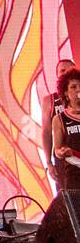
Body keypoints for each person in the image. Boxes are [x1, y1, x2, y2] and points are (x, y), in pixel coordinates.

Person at [45, 58, 73, 191]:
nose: (65, 72)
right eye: (62, 70)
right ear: (57, 75)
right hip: (63, 160)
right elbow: (46, 133)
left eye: (69, 69)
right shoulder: (50, 101)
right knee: (70, 201)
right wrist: (49, 162)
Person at [51, 67, 80, 192]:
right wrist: (62, 152)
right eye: (73, 87)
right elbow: (57, 149)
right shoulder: (59, 119)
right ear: (66, 93)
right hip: (75, 175)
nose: (78, 89)